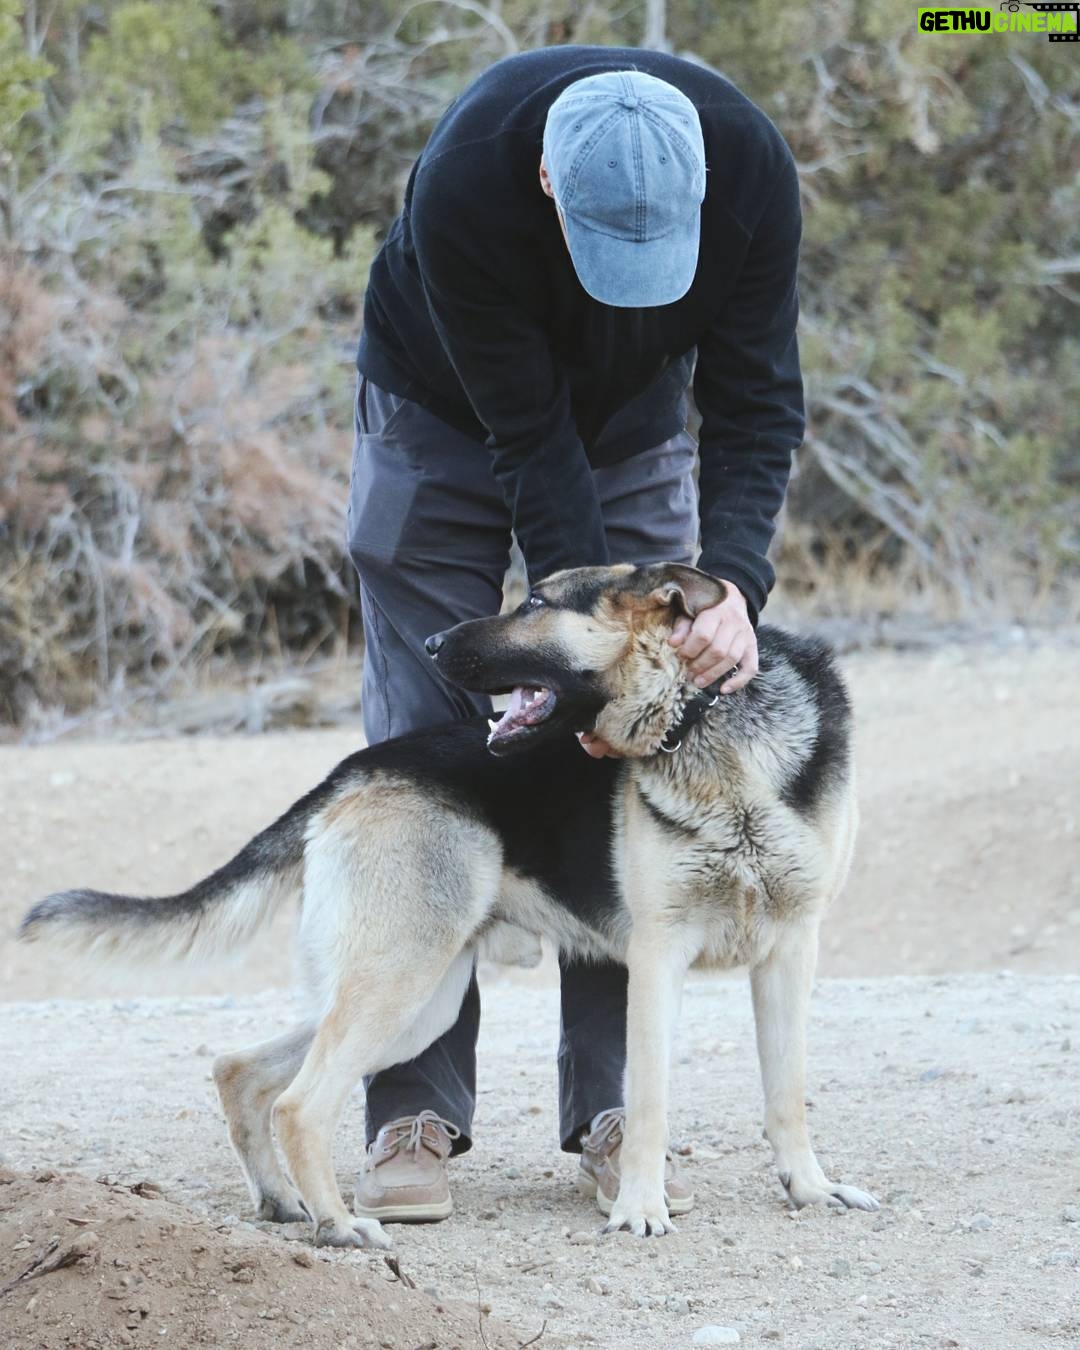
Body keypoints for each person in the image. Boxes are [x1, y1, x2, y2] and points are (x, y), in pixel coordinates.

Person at [346, 45, 804, 1224]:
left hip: (634, 422)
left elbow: (756, 401)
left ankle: (614, 1110)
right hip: (445, 411)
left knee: (640, 746)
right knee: (423, 747)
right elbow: (528, 442)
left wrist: (730, 588)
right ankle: (413, 1104)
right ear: (549, 185)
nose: (628, 291)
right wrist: (572, 655)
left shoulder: (749, 163)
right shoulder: (467, 182)